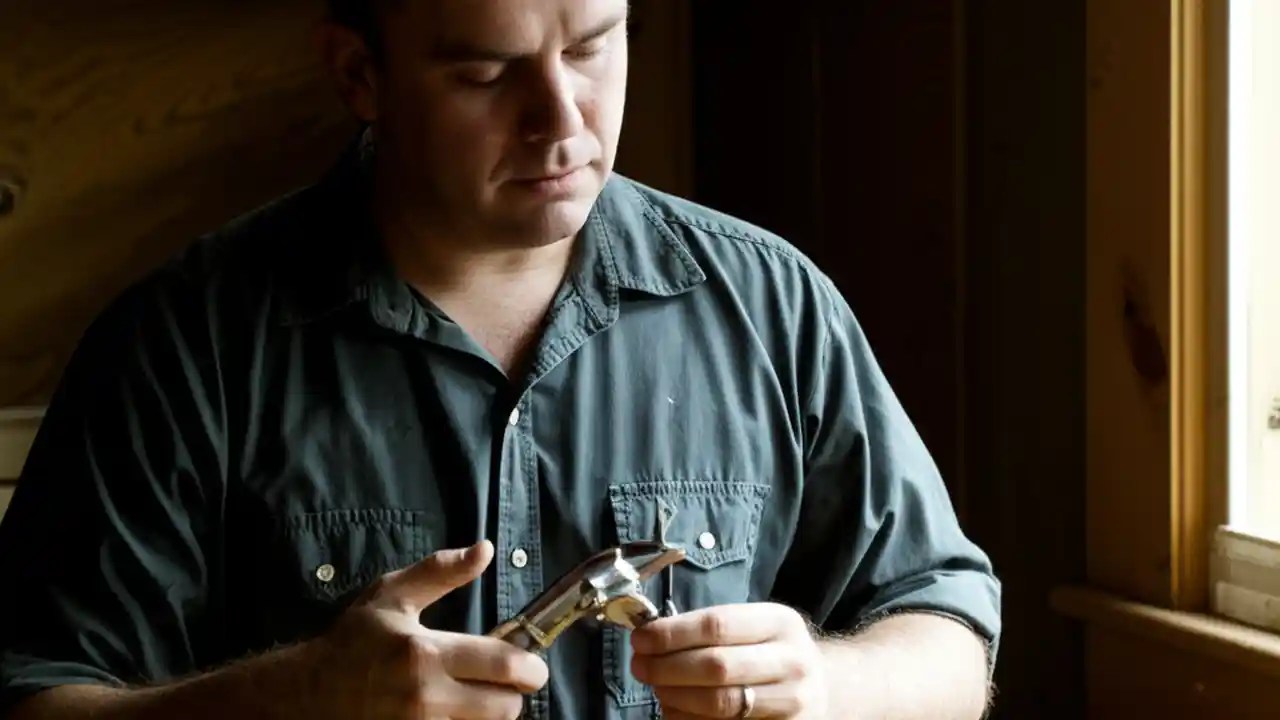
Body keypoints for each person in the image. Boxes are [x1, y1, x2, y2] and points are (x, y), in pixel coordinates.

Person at [0, 1, 1001, 718]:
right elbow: (34, 695)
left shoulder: (771, 305)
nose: (561, 120)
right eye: (484, 72)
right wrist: (290, 698)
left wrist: (830, 688)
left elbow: (945, 628)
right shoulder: (184, 348)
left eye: (594, 46)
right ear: (358, 74)